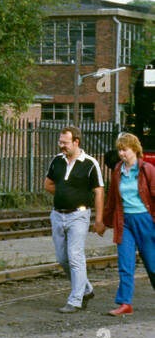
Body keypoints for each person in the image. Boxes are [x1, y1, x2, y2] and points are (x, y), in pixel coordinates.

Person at [43, 126, 104, 313]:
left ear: (76, 141)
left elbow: (99, 192)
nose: (61, 146)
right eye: (60, 142)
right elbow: (48, 184)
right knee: (63, 258)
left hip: (79, 215)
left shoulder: (90, 163)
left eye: (65, 143)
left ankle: (75, 300)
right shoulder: (57, 161)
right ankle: (86, 289)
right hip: (58, 214)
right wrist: (64, 193)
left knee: (75, 256)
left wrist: (99, 219)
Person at [95, 132, 155, 315]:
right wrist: (103, 222)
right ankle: (125, 303)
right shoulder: (117, 170)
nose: (121, 153)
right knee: (125, 263)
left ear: (135, 150)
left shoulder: (147, 170)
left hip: (145, 220)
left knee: (152, 264)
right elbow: (112, 199)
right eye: (119, 150)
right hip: (124, 221)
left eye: (125, 150)